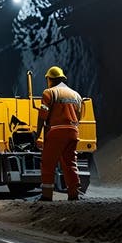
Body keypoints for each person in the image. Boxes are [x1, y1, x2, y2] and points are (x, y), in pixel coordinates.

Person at [35, 66, 84, 201]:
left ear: (50, 79)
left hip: (56, 132)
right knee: (70, 163)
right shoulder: (76, 95)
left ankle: (47, 195)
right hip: (73, 132)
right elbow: (79, 116)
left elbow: (42, 115)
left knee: (48, 163)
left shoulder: (49, 93)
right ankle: (74, 194)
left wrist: (37, 134)